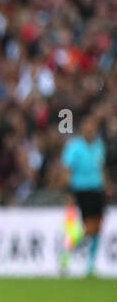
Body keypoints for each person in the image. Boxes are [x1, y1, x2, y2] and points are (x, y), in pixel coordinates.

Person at [60, 116, 107, 277]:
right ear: (82, 130)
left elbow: (101, 168)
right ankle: (66, 251)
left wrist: (106, 186)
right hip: (81, 189)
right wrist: (69, 192)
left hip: (97, 189)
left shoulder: (100, 146)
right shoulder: (74, 147)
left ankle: (91, 264)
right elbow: (67, 170)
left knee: (98, 227)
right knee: (88, 227)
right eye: (87, 128)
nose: (90, 131)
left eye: (92, 128)